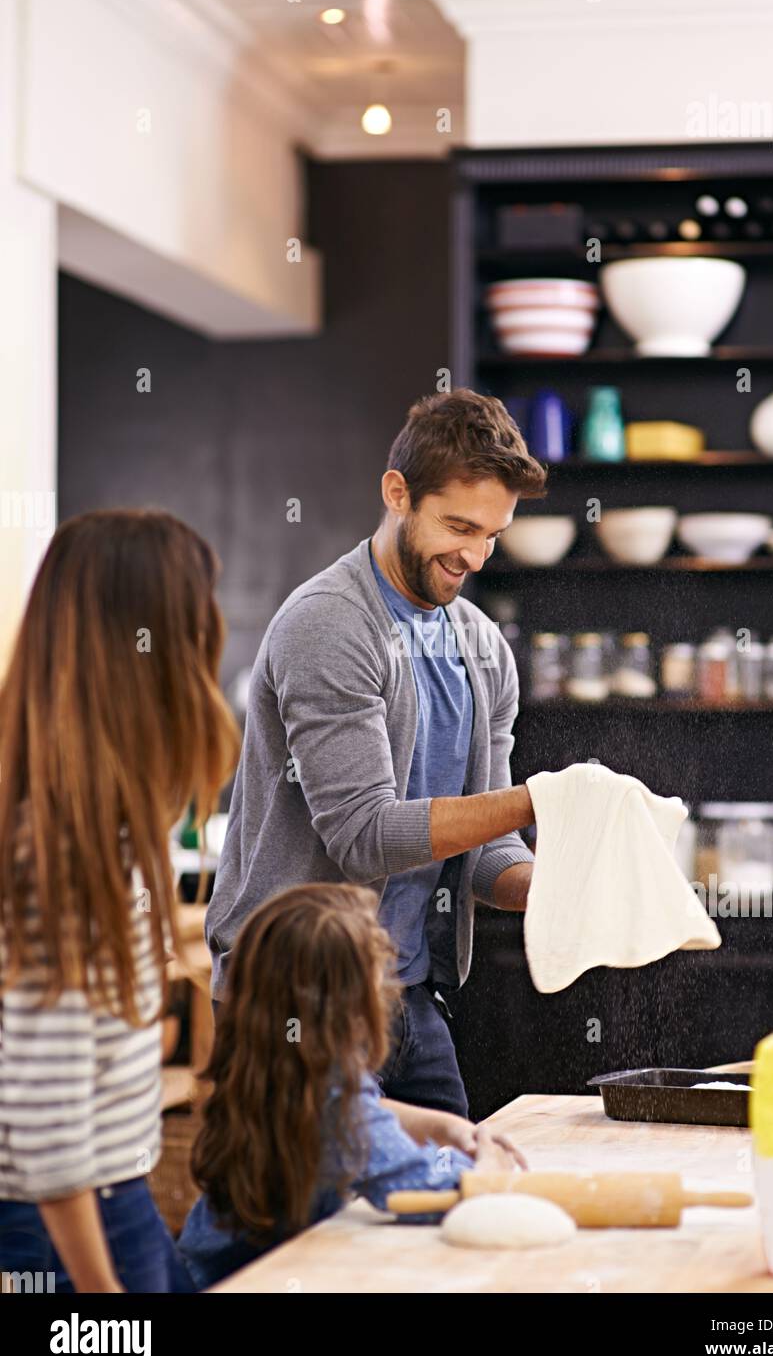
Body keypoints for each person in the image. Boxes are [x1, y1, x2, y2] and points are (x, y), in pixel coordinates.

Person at [205, 389, 549, 1116]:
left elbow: (489, 855)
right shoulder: (329, 626)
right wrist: (542, 799)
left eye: (494, 534)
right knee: (305, 1224)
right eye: (459, 526)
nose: (476, 556)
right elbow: (364, 837)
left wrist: (573, 892)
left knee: (452, 1197)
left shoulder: (483, 650)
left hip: (406, 993)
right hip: (292, 996)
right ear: (398, 493)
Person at [0, 510, 240, 1293]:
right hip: (67, 1233)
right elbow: (44, 1127)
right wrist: (107, 1308)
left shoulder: (86, 825)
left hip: (107, 1206)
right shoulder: (62, 852)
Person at [178, 883, 526, 1290]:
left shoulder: (278, 1067)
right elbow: (418, 1192)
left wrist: (443, 1128)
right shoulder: (337, 1104)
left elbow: (357, 1112)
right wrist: (489, 1169)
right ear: (356, 1008)